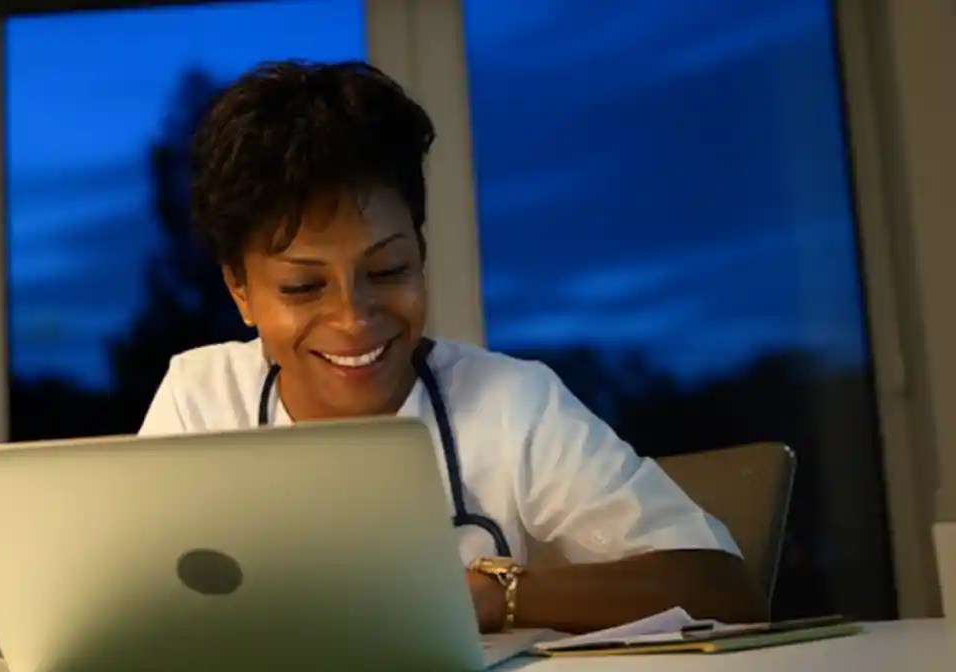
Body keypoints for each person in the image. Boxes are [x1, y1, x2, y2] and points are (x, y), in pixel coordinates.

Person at [138, 59, 767, 633]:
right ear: (241, 291)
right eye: (304, 286)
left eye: (387, 272)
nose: (354, 318)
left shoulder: (512, 404)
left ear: (422, 254)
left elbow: (718, 585)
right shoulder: (201, 401)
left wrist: (495, 595)